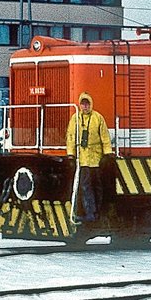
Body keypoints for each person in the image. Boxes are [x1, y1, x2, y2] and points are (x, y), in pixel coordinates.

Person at [65, 92, 112, 222]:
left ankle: (97, 212)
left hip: (96, 159)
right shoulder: (75, 119)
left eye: (87, 104)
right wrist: (71, 155)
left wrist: (107, 154)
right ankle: (90, 212)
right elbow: (71, 137)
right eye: (83, 104)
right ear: (80, 105)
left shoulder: (98, 118)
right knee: (86, 186)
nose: (85, 106)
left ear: (91, 104)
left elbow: (105, 137)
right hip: (83, 160)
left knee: (97, 186)